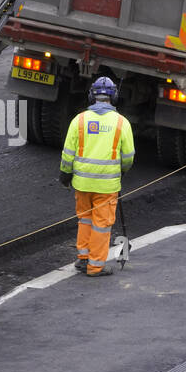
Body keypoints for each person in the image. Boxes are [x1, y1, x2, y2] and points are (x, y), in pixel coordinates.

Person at [60, 76, 135, 277]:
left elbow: (68, 152)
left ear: (91, 96)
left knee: (84, 220)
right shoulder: (122, 123)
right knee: (101, 226)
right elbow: (128, 157)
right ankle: (95, 266)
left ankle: (83, 259)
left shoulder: (79, 120)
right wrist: (121, 172)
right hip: (107, 186)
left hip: (82, 183)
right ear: (114, 97)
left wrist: (65, 174)